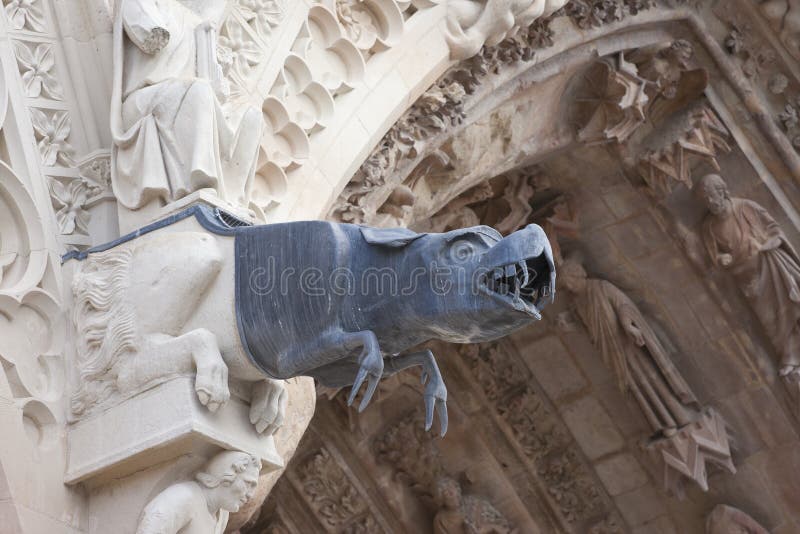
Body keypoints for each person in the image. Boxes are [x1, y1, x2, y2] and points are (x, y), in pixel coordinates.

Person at [111, 0, 263, 211]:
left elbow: (209, 88)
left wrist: (216, 74)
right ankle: (199, 183)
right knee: (199, 90)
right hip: (142, 101)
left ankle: (231, 200)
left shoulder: (195, 23)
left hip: (183, 96)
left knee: (251, 117)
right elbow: (151, 35)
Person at [560, 258, 699, 436]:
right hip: (611, 351)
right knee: (637, 387)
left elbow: (623, 305)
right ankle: (663, 423)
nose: (570, 287)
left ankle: (679, 417)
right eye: (566, 286)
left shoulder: (601, 287)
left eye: (570, 281)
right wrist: (568, 327)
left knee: (652, 379)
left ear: (578, 274)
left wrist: (628, 326)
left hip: (627, 344)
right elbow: (588, 327)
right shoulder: (578, 303)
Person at [699, 173, 800, 377]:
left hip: (770, 266)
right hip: (748, 280)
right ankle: (790, 356)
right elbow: (714, 254)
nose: (709, 202)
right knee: (771, 319)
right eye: (705, 199)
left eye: (711, 195)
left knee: (791, 307)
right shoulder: (709, 227)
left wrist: (770, 243)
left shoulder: (745, 207)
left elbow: (773, 229)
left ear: (722, 191)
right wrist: (721, 258)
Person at [136, 450, 261, 534]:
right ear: (226, 476)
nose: (250, 495)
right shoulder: (182, 498)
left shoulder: (222, 514)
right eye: (248, 484)